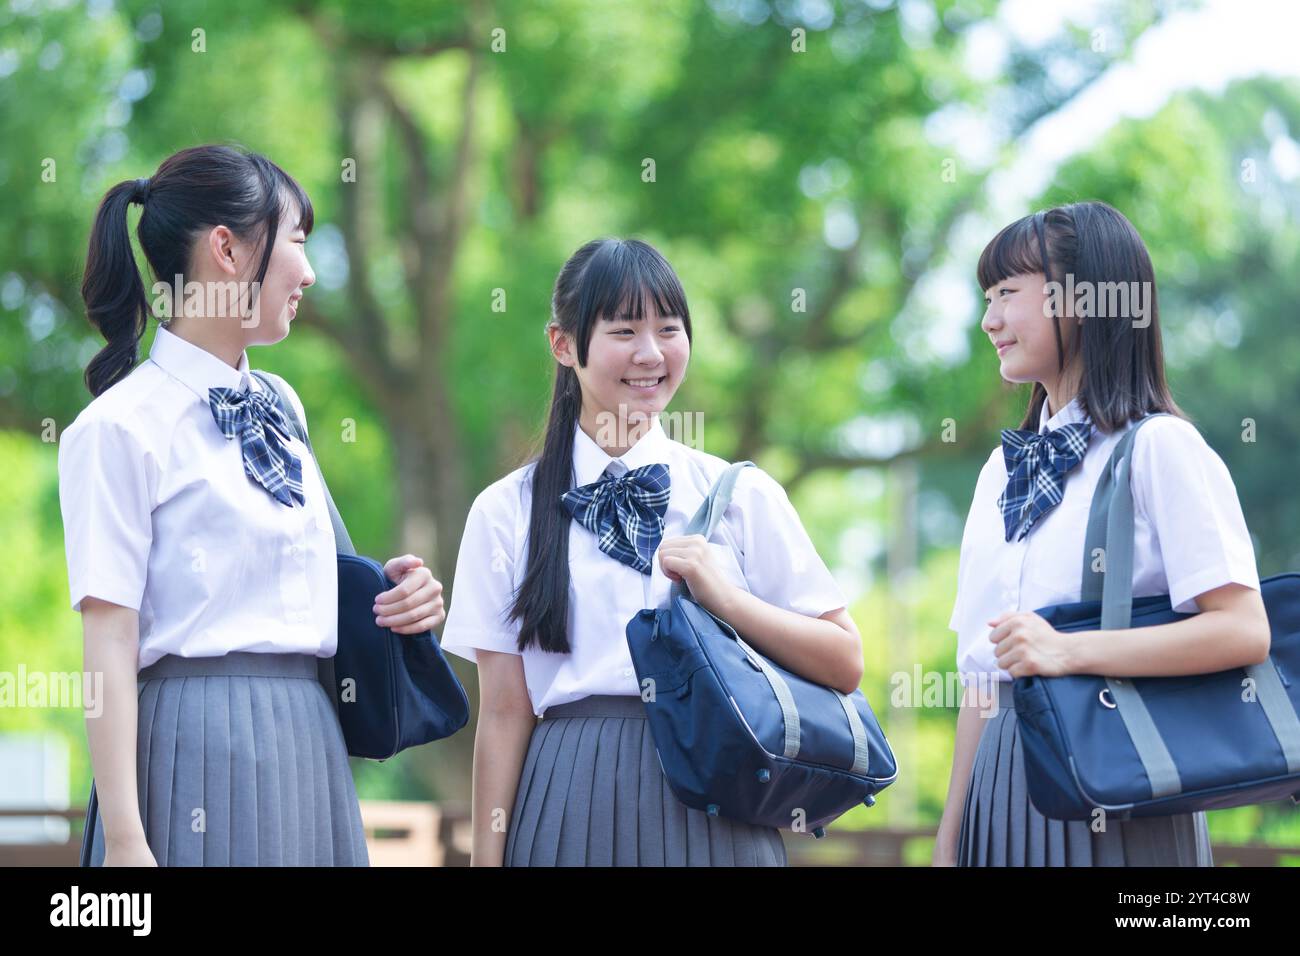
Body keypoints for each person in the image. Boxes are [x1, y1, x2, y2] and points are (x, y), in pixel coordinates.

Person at [61, 144, 445, 866]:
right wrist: (124, 840)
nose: (309, 269)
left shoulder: (281, 406)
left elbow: (320, 582)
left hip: (310, 741)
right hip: (190, 749)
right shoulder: (118, 428)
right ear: (228, 250)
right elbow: (107, 642)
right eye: (298, 239)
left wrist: (403, 597)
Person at [441, 237, 864, 866]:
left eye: (669, 329)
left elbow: (844, 660)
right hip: (565, 795)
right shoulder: (506, 511)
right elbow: (504, 711)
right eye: (623, 330)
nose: (651, 353)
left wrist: (729, 600)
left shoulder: (740, 494)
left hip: (716, 793)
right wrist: (486, 860)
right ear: (564, 345)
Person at [933, 201, 1268, 866]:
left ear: (1083, 299)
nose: (989, 319)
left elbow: (1243, 629)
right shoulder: (1001, 469)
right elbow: (983, 674)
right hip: (1001, 788)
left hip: (1122, 782)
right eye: (986, 298)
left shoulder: (1160, 448)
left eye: (1006, 293)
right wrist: (951, 837)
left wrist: (1069, 651)